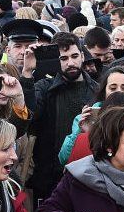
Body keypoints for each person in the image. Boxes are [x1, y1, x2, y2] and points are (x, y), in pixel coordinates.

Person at [23, 32, 98, 199]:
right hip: (50, 180)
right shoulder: (44, 87)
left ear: (82, 56)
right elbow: (28, 115)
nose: (70, 63)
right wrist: (28, 72)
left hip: (89, 176)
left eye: (74, 56)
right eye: (64, 59)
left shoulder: (97, 90)